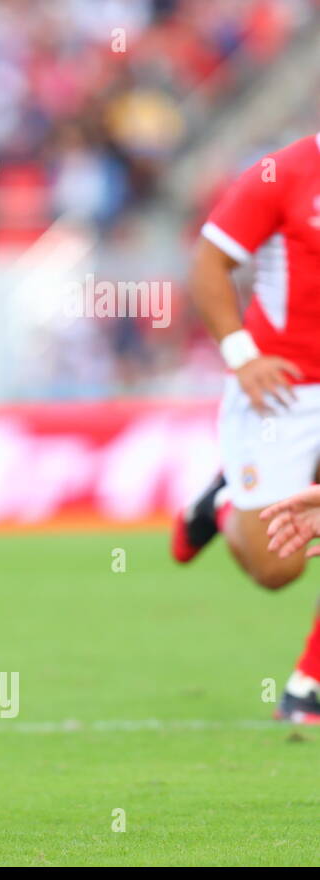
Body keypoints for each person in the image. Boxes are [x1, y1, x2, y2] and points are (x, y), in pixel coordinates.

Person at [171, 131, 320, 724]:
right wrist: (243, 355)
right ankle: (223, 500)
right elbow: (209, 263)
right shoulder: (285, 171)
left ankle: (306, 687)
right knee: (278, 568)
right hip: (280, 390)